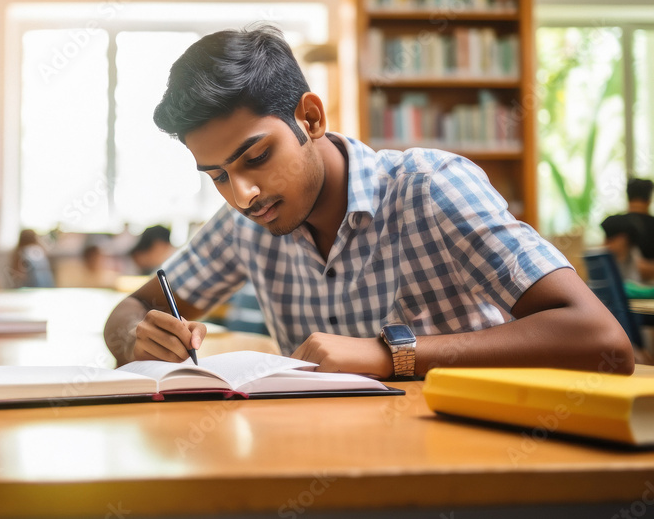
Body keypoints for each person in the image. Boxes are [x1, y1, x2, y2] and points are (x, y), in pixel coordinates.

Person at [103, 24, 633, 378]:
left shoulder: (431, 186)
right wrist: (135, 340)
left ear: (310, 118)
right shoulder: (246, 222)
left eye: (256, 157)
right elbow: (134, 307)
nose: (242, 194)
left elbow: (603, 339)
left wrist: (392, 355)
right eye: (217, 176)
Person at [601, 178, 654, 283]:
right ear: (649, 200)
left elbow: (603, 259)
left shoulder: (611, 223)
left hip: (615, 287)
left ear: (628, 198)